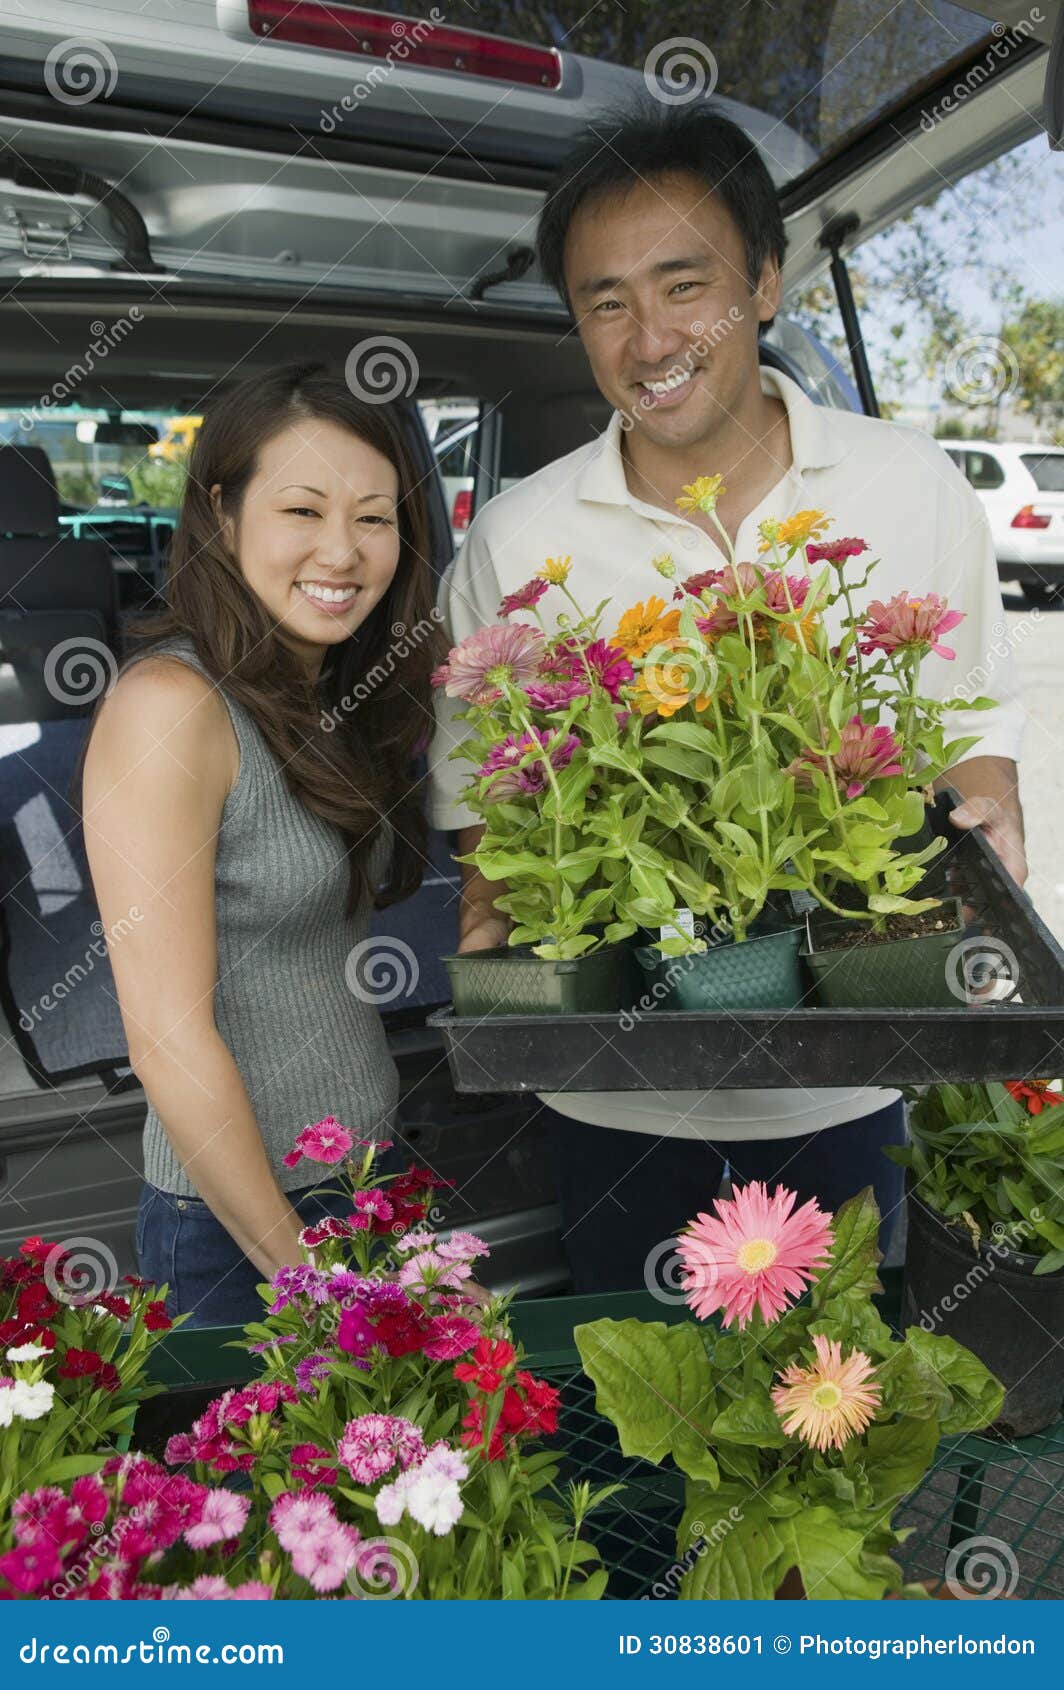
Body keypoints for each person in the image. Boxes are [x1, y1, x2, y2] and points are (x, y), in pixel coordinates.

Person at [426, 101, 1027, 1294]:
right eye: (605, 302)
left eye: (682, 284)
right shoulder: (514, 536)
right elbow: (487, 807)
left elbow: (969, 742)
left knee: (842, 1390)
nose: (649, 337)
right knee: (636, 1393)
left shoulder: (906, 484)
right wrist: (505, 945)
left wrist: (978, 865)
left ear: (761, 281)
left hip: (848, 1077)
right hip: (613, 1092)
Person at [81, 363, 443, 1327]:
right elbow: (167, 1041)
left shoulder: (335, 695)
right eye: (302, 510)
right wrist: (315, 1283)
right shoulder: (169, 709)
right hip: (242, 1228)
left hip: (366, 1176)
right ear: (223, 513)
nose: (343, 550)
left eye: (374, 517)